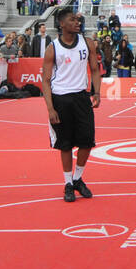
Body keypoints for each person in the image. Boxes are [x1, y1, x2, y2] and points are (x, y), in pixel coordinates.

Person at [42, 11, 101, 203]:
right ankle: (68, 183)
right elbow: (45, 80)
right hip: (61, 98)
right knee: (65, 144)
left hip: (81, 97)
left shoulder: (88, 43)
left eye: (78, 20)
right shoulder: (53, 48)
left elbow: (94, 69)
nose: (77, 22)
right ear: (62, 24)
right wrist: (50, 108)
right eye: (72, 20)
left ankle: (77, 178)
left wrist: (96, 92)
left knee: (87, 141)